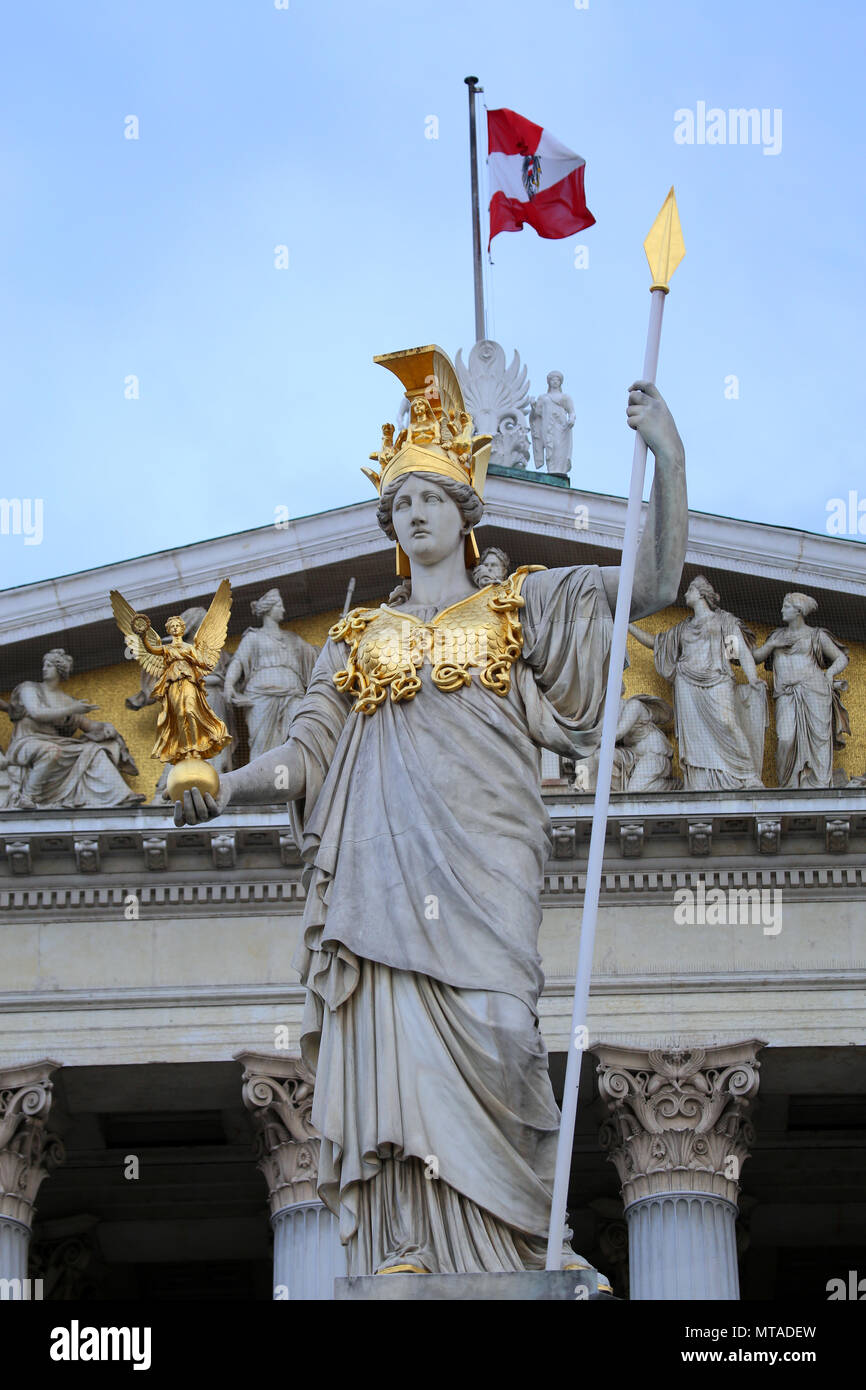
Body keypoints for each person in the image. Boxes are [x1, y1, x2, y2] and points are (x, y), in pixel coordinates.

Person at [175, 366, 687, 1277]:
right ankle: (406, 1243)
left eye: (427, 499)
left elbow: (649, 585)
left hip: (486, 864)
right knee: (396, 1051)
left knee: (501, 1037)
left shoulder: (522, 603)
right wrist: (224, 783)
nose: (411, 514)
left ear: (465, 510)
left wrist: (669, 457)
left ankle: (524, 1247)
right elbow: (308, 750)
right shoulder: (358, 634)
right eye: (398, 503)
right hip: (381, 882)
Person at [629, 576, 767, 790]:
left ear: (701, 594)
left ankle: (747, 775)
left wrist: (753, 679)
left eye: (689, 590)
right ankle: (700, 781)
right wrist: (627, 625)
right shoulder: (683, 628)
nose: (685, 594)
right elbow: (655, 643)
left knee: (727, 722)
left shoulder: (724, 621)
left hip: (718, 678)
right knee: (694, 735)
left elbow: (737, 652)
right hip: (686, 683)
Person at [6, 649, 143, 809]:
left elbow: (87, 725)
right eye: (44, 664)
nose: (44, 668)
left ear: (60, 670)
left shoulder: (67, 701)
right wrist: (72, 709)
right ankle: (28, 796)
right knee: (51, 751)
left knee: (94, 750)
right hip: (27, 742)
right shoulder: (29, 688)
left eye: (49, 665)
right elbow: (37, 713)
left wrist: (105, 727)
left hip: (57, 743)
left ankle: (121, 795)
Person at [752, 593, 849, 788]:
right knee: (786, 739)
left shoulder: (816, 635)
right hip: (787, 695)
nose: (781, 610)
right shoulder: (777, 636)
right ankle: (789, 785)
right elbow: (755, 657)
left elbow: (841, 658)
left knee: (818, 741)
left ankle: (818, 784)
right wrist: (771, 645)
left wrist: (829, 674)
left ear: (799, 611)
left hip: (814, 691)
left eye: (786, 606)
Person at [223, 590, 317, 761]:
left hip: (293, 694)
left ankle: (302, 783)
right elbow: (238, 661)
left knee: (302, 736)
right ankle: (263, 785)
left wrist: (336, 636)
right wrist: (229, 684)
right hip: (261, 696)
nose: (283, 610)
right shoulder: (253, 637)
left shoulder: (293, 639)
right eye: (279, 606)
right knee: (262, 744)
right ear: (268, 609)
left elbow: (316, 657)